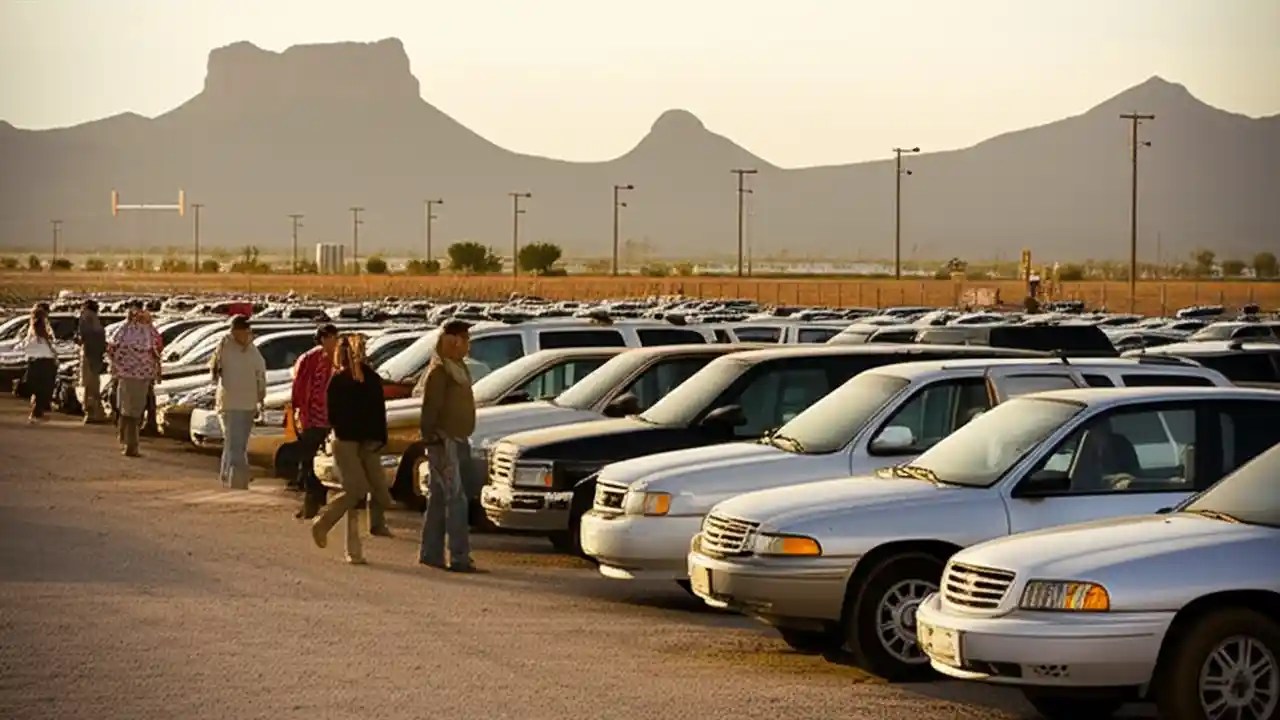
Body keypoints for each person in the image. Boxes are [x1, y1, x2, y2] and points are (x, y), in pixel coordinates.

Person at [310, 334, 394, 564]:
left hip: (357, 441)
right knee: (356, 491)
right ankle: (330, 528)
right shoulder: (354, 380)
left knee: (363, 493)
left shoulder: (346, 380)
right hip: (352, 442)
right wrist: (377, 439)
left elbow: (336, 416)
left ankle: (350, 543)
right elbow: (377, 415)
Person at [417, 321, 479, 573]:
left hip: (459, 438)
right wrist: (432, 438)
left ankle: (430, 553)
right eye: (463, 338)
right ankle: (459, 556)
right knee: (456, 500)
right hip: (444, 442)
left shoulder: (458, 368)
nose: (467, 344)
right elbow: (429, 409)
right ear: (451, 341)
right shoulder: (440, 372)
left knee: (439, 499)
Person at [210, 315, 266, 489]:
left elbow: (261, 375)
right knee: (234, 444)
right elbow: (214, 370)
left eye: (245, 330)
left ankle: (229, 477)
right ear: (234, 331)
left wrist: (260, 397)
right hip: (229, 403)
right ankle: (237, 481)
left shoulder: (252, 350)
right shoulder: (224, 346)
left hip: (247, 404)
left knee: (236, 443)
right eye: (240, 330)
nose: (243, 334)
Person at [290, 324, 339, 517]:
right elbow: (299, 388)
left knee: (324, 462)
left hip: (331, 420)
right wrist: (299, 412)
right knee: (309, 461)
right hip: (312, 418)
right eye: (331, 338)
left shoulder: (338, 360)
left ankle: (318, 501)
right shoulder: (310, 359)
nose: (334, 342)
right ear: (323, 339)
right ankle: (311, 504)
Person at [107, 303, 162, 456]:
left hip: (124, 376)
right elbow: (157, 351)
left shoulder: (122, 331)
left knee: (126, 408)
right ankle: (131, 445)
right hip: (142, 377)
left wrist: (118, 365)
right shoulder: (149, 333)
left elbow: (111, 349)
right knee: (135, 411)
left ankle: (125, 438)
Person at [17, 307, 58, 424]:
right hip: (43, 361)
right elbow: (49, 346)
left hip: (37, 361)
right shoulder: (40, 332)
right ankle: (37, 413)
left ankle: (37, 412)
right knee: (43, 389)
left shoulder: (33, 332)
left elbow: (25, 346)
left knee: (40, 389)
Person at [76, 299, 108, 424]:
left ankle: (91, 412)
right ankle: (95, 411)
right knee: (94, 384)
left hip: (89, 355)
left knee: (89, 384)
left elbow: (82, 337)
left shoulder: (85, 318)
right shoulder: (96, 322)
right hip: (95, 356)